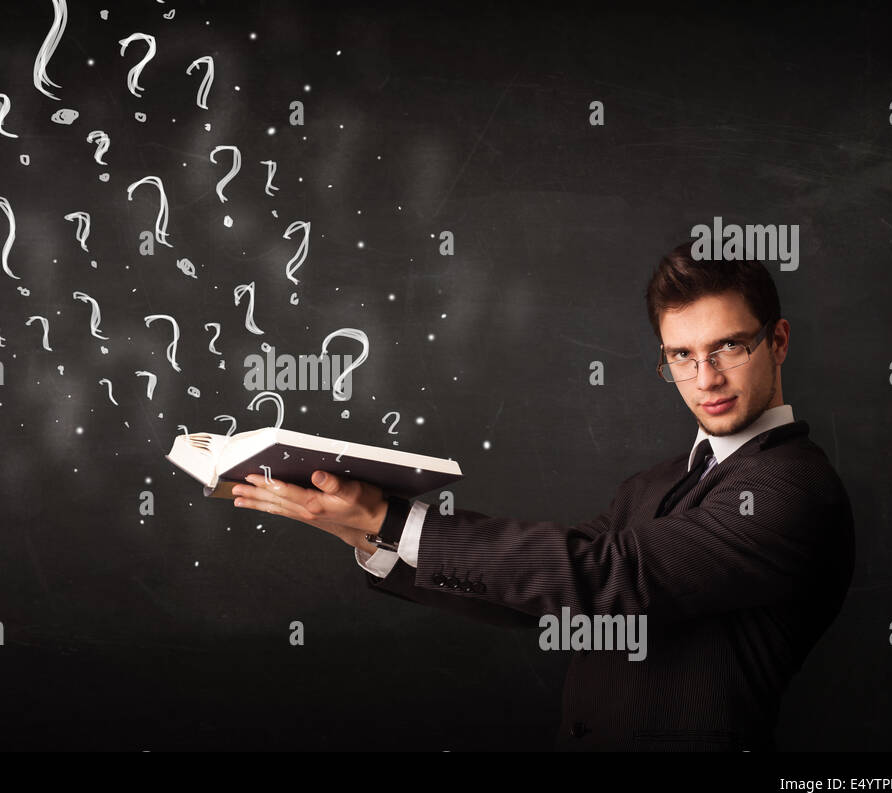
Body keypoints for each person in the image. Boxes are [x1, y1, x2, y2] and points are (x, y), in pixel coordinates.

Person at [231, 241, 855, 751]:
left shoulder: (792, 488)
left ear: (777, 342)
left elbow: (607, 575)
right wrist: (375, 537)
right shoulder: (652, 485)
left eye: (729, 347)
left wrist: (393, 517)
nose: (706, 378)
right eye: (681, 356)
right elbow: (552, 600)